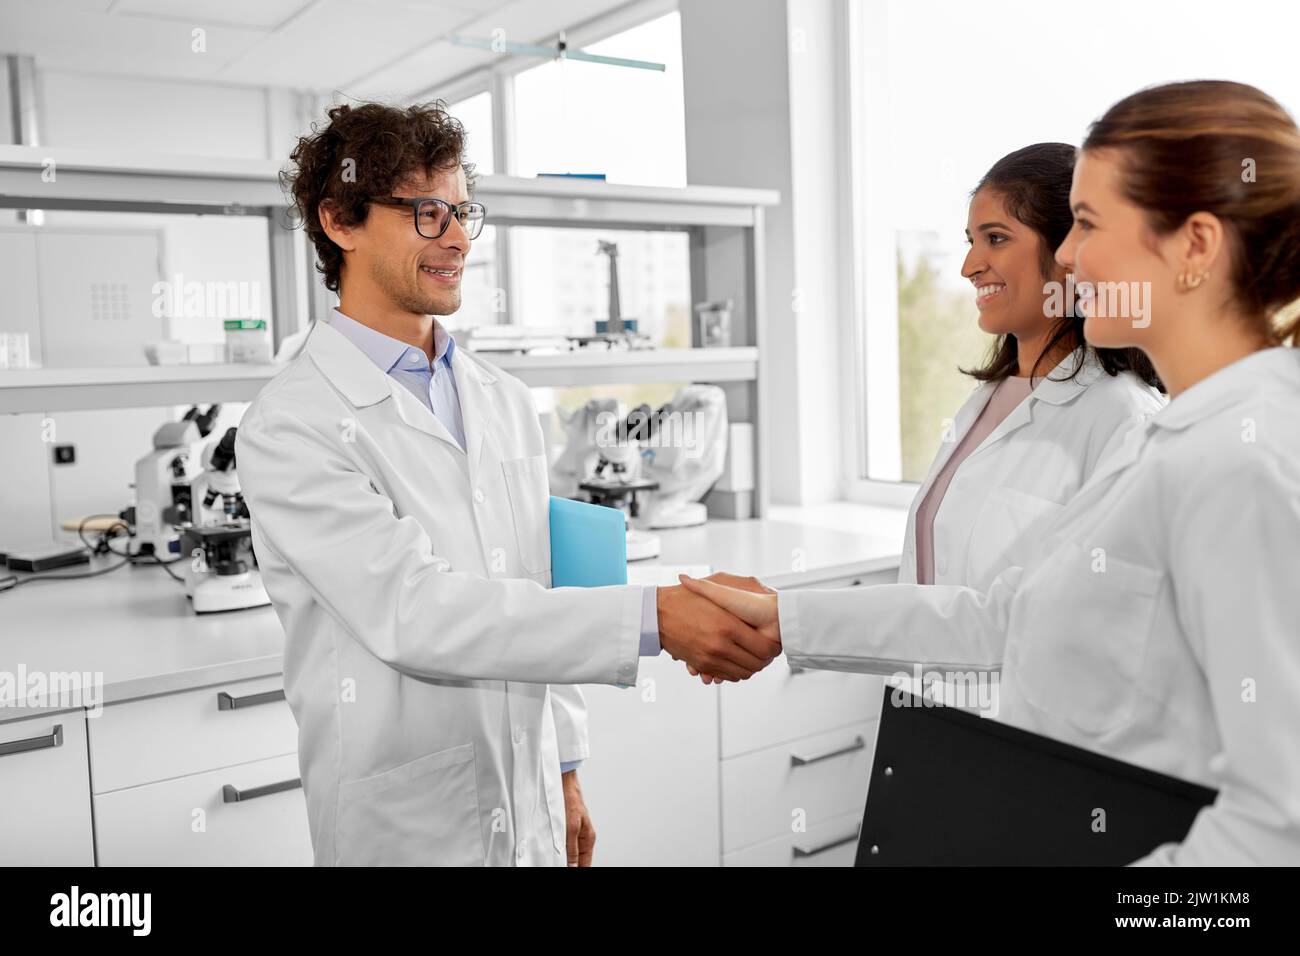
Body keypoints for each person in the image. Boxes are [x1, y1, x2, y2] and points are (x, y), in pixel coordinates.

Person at [680, 80, 1300, 865]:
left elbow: (1280, 827)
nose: (1068, 255)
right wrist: (784, 619)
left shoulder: (1246, 459)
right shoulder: (1178, 440)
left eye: (1087, 223)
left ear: (1196, 246)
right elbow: (1001, 619)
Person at [236, 102, 778, 867]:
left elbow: (533, 588)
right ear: (340, 221)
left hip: (529, 802)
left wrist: (565, 769)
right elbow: (415, 613)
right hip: (406, 822)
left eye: (461, 212)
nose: (457, 237)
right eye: (426, 213)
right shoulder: (293, 424)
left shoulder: (502, 399)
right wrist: (655, 618)